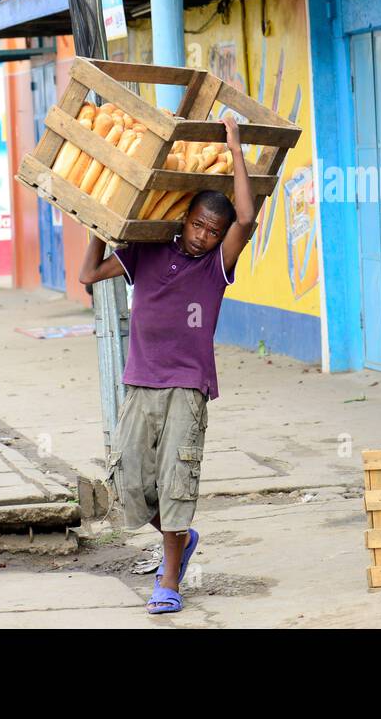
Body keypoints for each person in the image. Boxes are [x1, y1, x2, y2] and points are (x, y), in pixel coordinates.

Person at [79, 117, 254, 616]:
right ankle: (181, 538)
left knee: (177, 481)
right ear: (184, 218)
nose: (203, 235)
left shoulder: (215, 266)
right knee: (129, 483)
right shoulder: (148, 251)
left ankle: (170, 575)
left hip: (186, 386)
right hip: (140, 382)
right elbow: (88, 274)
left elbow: (245, 217)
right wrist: (99, 223)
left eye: (212, 231)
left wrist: (235, 147)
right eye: (198, 224)